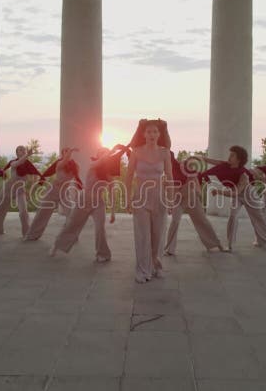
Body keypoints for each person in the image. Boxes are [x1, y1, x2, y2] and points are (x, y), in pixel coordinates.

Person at [48, 145, 124, 262]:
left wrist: (113, 212)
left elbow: (112, 193)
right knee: (72, 224)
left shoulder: (109, 175)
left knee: (100, 228)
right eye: (101, 152)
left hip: (98, 203)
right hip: (83, 200)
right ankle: (57, 245)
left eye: (105, 152)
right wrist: (112, 151)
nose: (104, 154)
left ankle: (102, 254)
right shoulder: (93, 165)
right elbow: (102, 160)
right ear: (98, 155)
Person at [124, 119, 173, 283]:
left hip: (160, 197)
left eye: (155, 131)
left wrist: (171, 199)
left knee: (158, 235)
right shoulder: (136, 152)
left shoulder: (165, 153)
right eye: (149, 131)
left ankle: (156, 266)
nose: (152, 134)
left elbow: (170, 177)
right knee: (142, 236)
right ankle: (142, 270)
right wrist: (127, 199)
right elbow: (128, 177)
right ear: (144, 134)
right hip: (140, 198)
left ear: (159, 135)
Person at [201, 146, 266, 250]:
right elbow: (215, 162)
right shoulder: (226, 165)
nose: (229, 157)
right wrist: (202, 158)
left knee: (258, 217)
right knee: (233, 216)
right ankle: (230, 245)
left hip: (248, 194)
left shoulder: (243, 174)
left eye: (232, 155)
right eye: (230, 154)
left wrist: (218, 191)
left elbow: (235, 193)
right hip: (237, 193)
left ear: (239, 159)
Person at [163, 151, 224, 255]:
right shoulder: (168, 169)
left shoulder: (186, 166)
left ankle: (216, 244)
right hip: (178, 198)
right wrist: (170, 203)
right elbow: (169, 186)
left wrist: (197, 193)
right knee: (175, 221)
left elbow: (194, 181)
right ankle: (169, 249)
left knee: (202, 220)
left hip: (191, 198)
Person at [24, 147, 83, 240]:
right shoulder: (59, 163)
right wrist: (70, 151)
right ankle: (32, 235)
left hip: (64, 192)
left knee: (72, 213)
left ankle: (70, 235)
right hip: (53, 191)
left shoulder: (75, 166)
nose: (67, 153)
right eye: (65, 152)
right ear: (63, 154)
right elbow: (66, 160)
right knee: (42, 214)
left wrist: (81, 190)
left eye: (68, 151)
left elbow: (76, 179)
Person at [0, 145, 39, 236]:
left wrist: (31, 189)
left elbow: (35, 176)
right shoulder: (13, 162)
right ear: (17, 153)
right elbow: (18, 163)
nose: (23, 150)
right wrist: (27, 155)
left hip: (20, 189)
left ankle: (27, 233)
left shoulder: (28, 164)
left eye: (24, 149)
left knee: (23, 212)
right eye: (20, 150)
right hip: (9, 188)